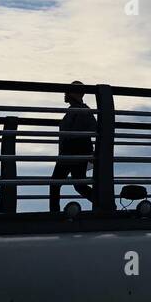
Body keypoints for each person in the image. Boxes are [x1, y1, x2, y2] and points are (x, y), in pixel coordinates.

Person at [50, 81, 97, 212]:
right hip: (75, 150)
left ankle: (54, 213)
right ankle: (102, 203)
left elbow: (93, 128)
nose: (64, 94)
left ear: (73, 94)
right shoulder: (80, 109)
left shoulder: (81, 109)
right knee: (78, 185)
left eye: (67, 91)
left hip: (72, 151)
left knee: (55, 183)